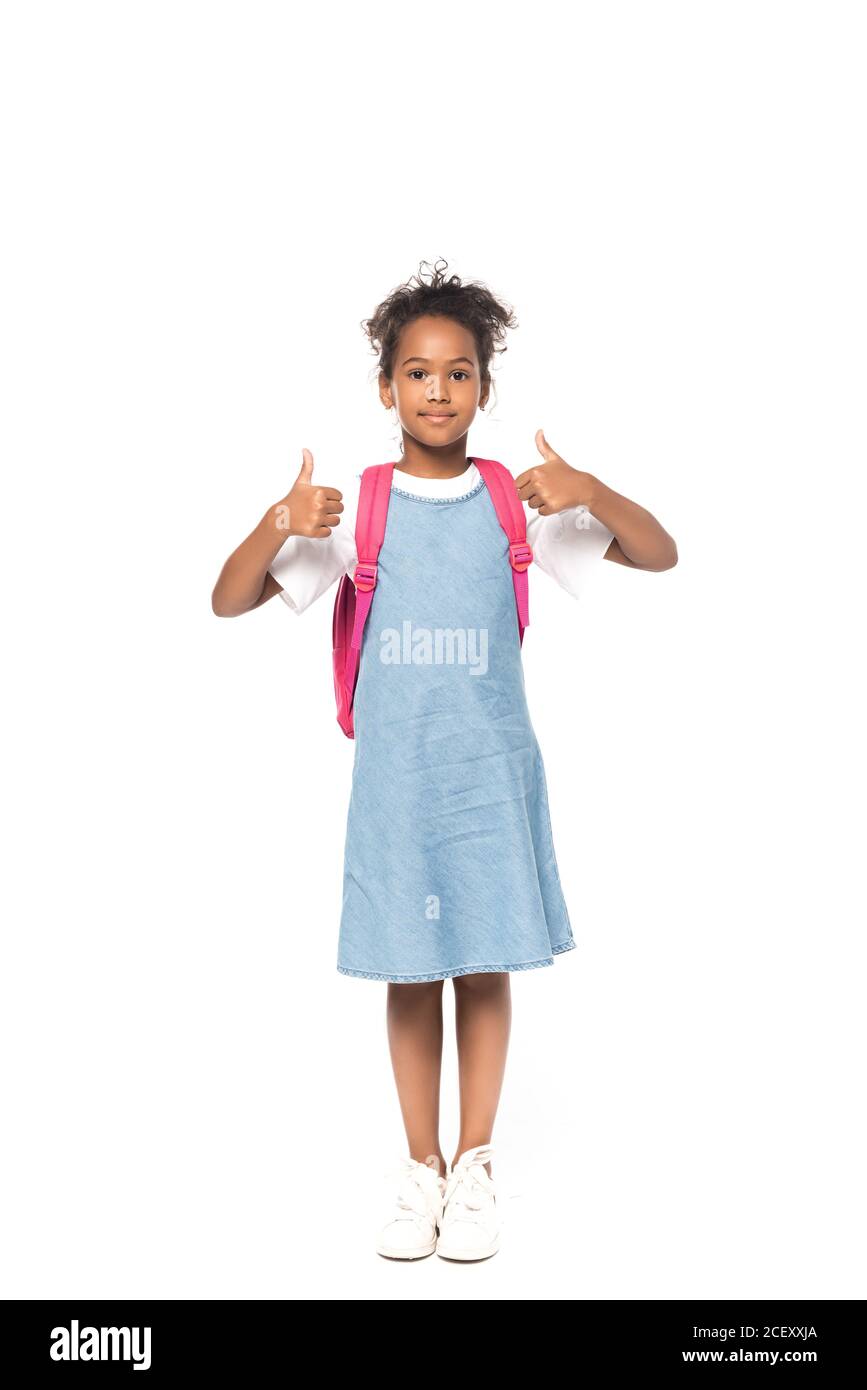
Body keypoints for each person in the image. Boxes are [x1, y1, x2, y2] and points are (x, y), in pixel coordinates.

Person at [212, 259, 677, 1262]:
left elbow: (658, 552)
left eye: (458, 373)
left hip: (488, 782)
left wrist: (591, 488)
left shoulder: (519, 504)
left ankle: (475, 1166)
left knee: (481, 962)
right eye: (416, 373)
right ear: (386, 387)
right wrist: (274, 522)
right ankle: (418, 1166)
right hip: (394, 792)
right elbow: (229, 598)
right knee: (410, 971)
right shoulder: (359, 512)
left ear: (484, 387)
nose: (437, 390)